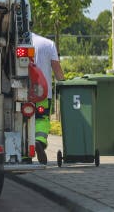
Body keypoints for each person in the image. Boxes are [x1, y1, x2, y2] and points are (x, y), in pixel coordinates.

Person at [31, 32, 65, 164]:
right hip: (42, 92)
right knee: (42, 118)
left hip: (20, 92)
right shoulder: (48, 44)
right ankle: (39, 141)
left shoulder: (15, 42)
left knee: (22, 119)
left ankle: (23, 155)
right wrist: (64, 83)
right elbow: (57, 70)